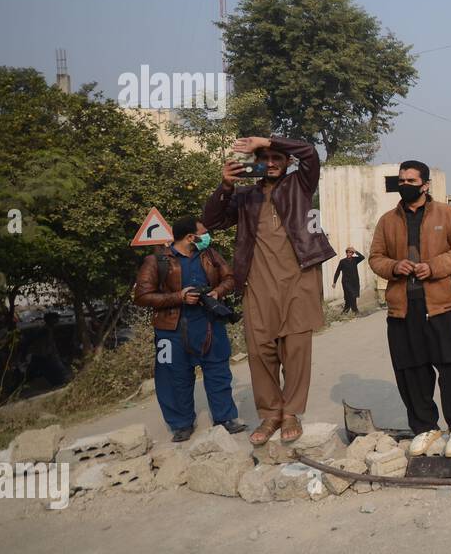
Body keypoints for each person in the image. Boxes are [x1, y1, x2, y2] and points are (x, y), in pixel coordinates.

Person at [203, 135, 334, 446]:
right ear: (256, 163)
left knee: (297, 347)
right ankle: (270, 412)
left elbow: (309, 153)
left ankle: (291, 413)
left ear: (288, 162)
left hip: (299, 277)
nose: (272, 163)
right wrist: (225, 187)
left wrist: (265, 140)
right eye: (265, 158)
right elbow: (212, 220)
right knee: (260, 349)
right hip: (257, 281)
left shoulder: (300, 185)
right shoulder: (246, 197)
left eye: (278, 158)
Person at [368, 160, 451, 436]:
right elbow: (376, 257)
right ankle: (425, 428)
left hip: (440, 306)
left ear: (425, 185)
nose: (405, 185)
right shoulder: (387, 221)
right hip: (402, 308)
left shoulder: (448, 214)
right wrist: (393, 266)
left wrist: (434, 267)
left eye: (411, 181)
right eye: (401, 181)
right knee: (411, 371)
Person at [134, 217, 245, 442]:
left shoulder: (210, 255)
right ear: (190, 237)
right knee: (173, 377)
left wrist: (218, 292)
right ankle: (181, 424)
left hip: (209, 324)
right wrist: (179, 297)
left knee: (218, 372)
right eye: (203, 232)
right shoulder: (156, 261)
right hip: (171, 329)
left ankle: (225, 419)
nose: (207, 236)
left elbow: (230, 278)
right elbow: (142, 296)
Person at [332, 246, 366, 314]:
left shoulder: (355, 260)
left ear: (352, 253)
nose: (349, 253)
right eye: (348, 252)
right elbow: (338, 271)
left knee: (349, 297)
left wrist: (355, 251)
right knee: (352, 295)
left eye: (351, 252)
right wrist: (334, 282)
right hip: (346, 282)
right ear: (346, 253)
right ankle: (355, 311)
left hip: (354, 281)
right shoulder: (342, 261)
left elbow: (362, 257)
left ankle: (345, 311)